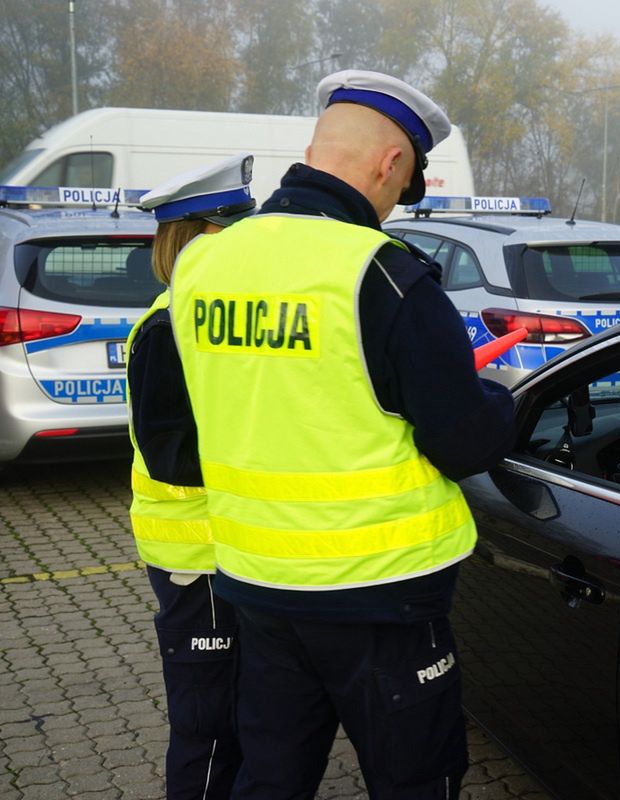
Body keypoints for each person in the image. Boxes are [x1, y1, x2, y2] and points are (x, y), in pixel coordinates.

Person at [137, 70, 516, 798]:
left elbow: (177, 447)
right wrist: (501, 400)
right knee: (415, 781)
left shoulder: (202, 268)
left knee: (269, 780)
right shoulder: (386, 275)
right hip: (382, 597)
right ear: (390, 165)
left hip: (257, 588)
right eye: (400, 189)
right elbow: (465, 442)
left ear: (315, 150)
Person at [127, 153, 258, 799]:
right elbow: (171, 455)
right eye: (232, 230)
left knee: (244, 721)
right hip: (196, 555)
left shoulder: (218, 317)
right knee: (209, 731)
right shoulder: (169, 325)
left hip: (236, 549)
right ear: (195, 237)